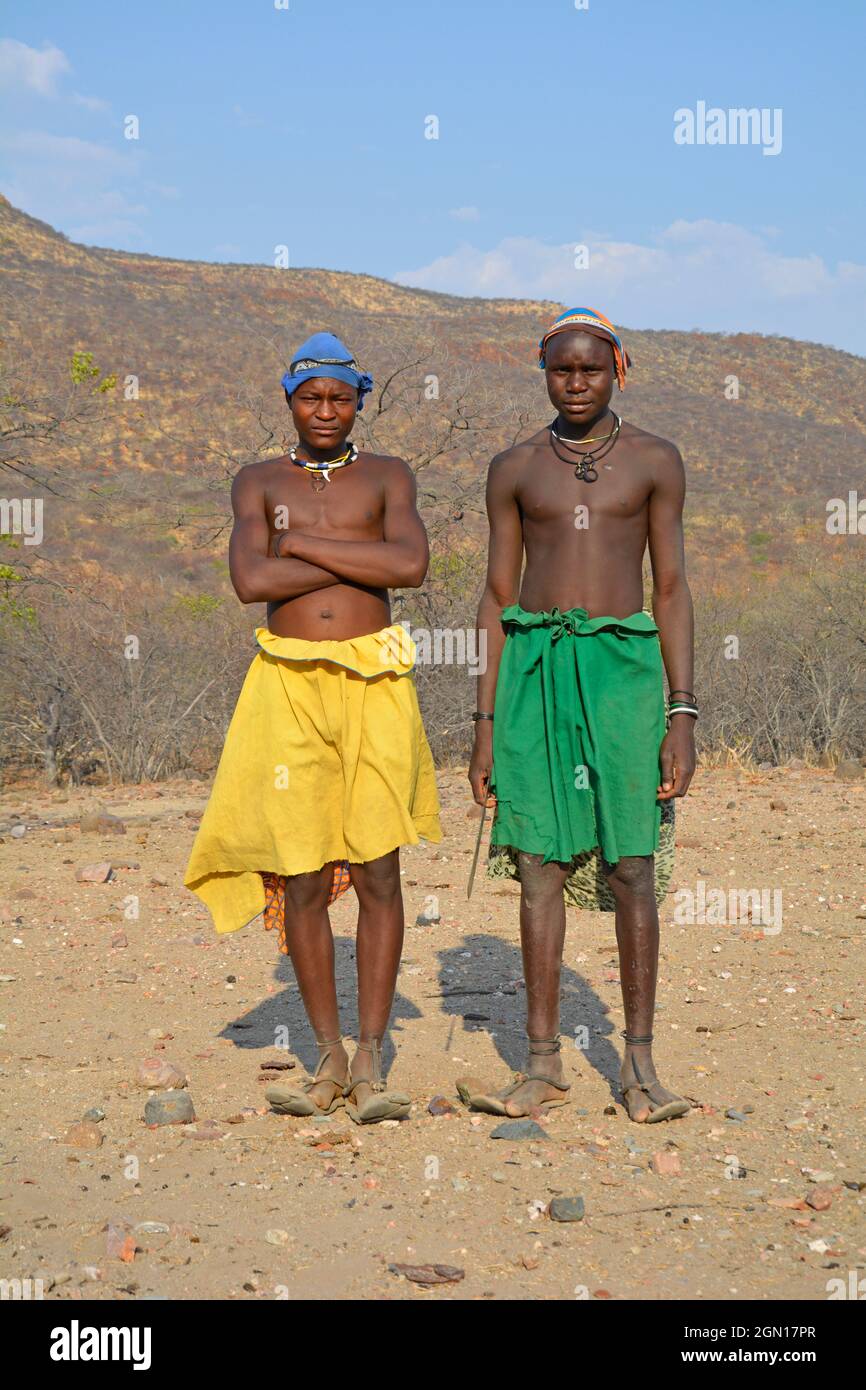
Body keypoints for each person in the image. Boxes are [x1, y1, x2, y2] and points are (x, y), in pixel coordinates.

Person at [185, 332, 442, 1123]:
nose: (324, 410)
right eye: (309, 397)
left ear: (359, 399)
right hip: (286, 683)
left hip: (375, 682)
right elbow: (250, 580)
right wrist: (355, 553)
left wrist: (301, 540)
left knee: (377, 869)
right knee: (301, 873)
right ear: (289, 401)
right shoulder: (258, 480)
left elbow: (410, 567)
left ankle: (371, 1054)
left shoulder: (388, 475)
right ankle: (326, 1052)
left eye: (338, 396)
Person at [465, 307, 696, 1123]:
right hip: (533, 668)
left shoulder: (654, 462)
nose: (574, 383)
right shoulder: (516, 467)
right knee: (539, 865)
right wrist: (485, 722)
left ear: (616, 370)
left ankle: (639, 1066)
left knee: (632, 864)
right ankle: (541, 1065)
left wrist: (682, 710)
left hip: (625, 671)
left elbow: (670, 589)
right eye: (560, 370)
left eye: (589, 369)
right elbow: (497, 595)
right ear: (543, 371)